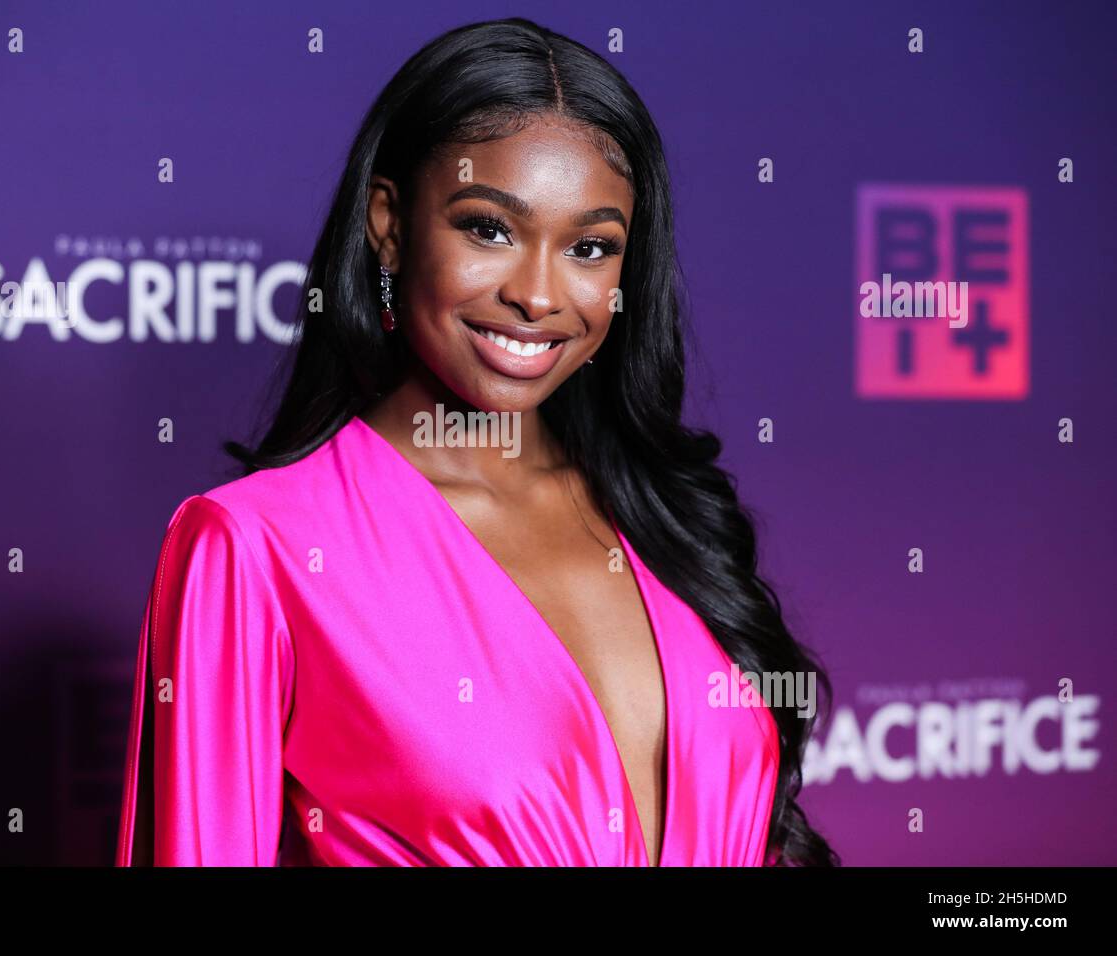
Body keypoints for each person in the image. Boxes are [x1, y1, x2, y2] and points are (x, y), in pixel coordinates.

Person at [116, 16, 836, 867]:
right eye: (489, 228)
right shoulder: (253, 551)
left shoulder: (658, 512)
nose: (537, 294)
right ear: (388, 222)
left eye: (590, 247)